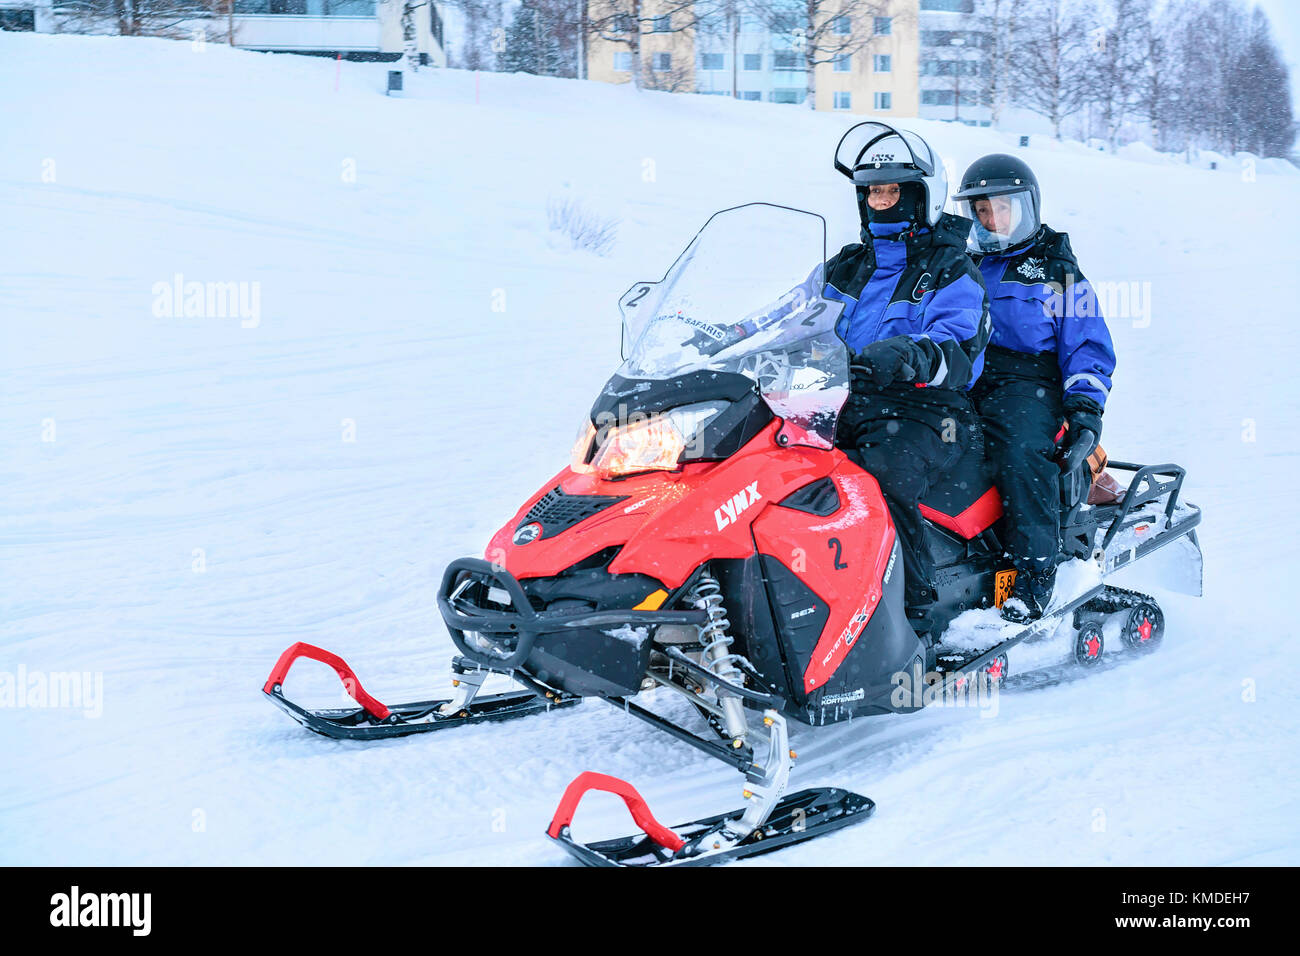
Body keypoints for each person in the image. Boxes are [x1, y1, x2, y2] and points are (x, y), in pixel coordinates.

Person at [825, 122, 991, 621]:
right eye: (873, 190)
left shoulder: (949, 268)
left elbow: (961, 346)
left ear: (922, 196)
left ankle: (912, 609)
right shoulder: (846, 266)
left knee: (879, 476)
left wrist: (910, 353)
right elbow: (791, 316)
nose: (882, 200)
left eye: (893, 189)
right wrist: (727, 336)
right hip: (841, 401)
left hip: (927, 412)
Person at [952, 154, 1116, 623]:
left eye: (1002, 208)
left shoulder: (1058, 269)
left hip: (1031, 382)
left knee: (1019, 452)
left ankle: (1034, 577)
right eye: (981, 210)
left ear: (1027, 207)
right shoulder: (964, 263)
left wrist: (1085, 410)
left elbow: (1088, 346)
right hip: (967, 375)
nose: (992, 220)